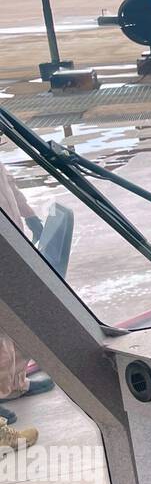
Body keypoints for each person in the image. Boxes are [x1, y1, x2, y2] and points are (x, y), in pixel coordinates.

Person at [0, 159, 44, 452]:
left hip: (10, 243)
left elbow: (6, 179)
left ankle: (14, 385)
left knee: (17, 320)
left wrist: (27, 213)